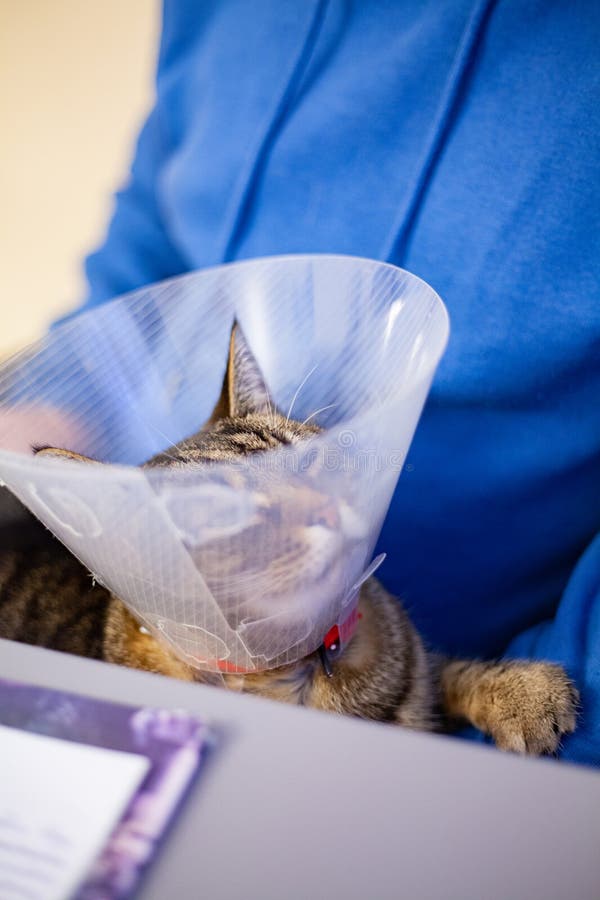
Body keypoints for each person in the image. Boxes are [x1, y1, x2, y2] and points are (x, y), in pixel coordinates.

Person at [62, 0, 600, 762]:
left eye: (307, 467)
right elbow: (153, 224)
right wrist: (53, 409)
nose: (318, 509)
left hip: (523, 714)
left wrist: (551, 754)